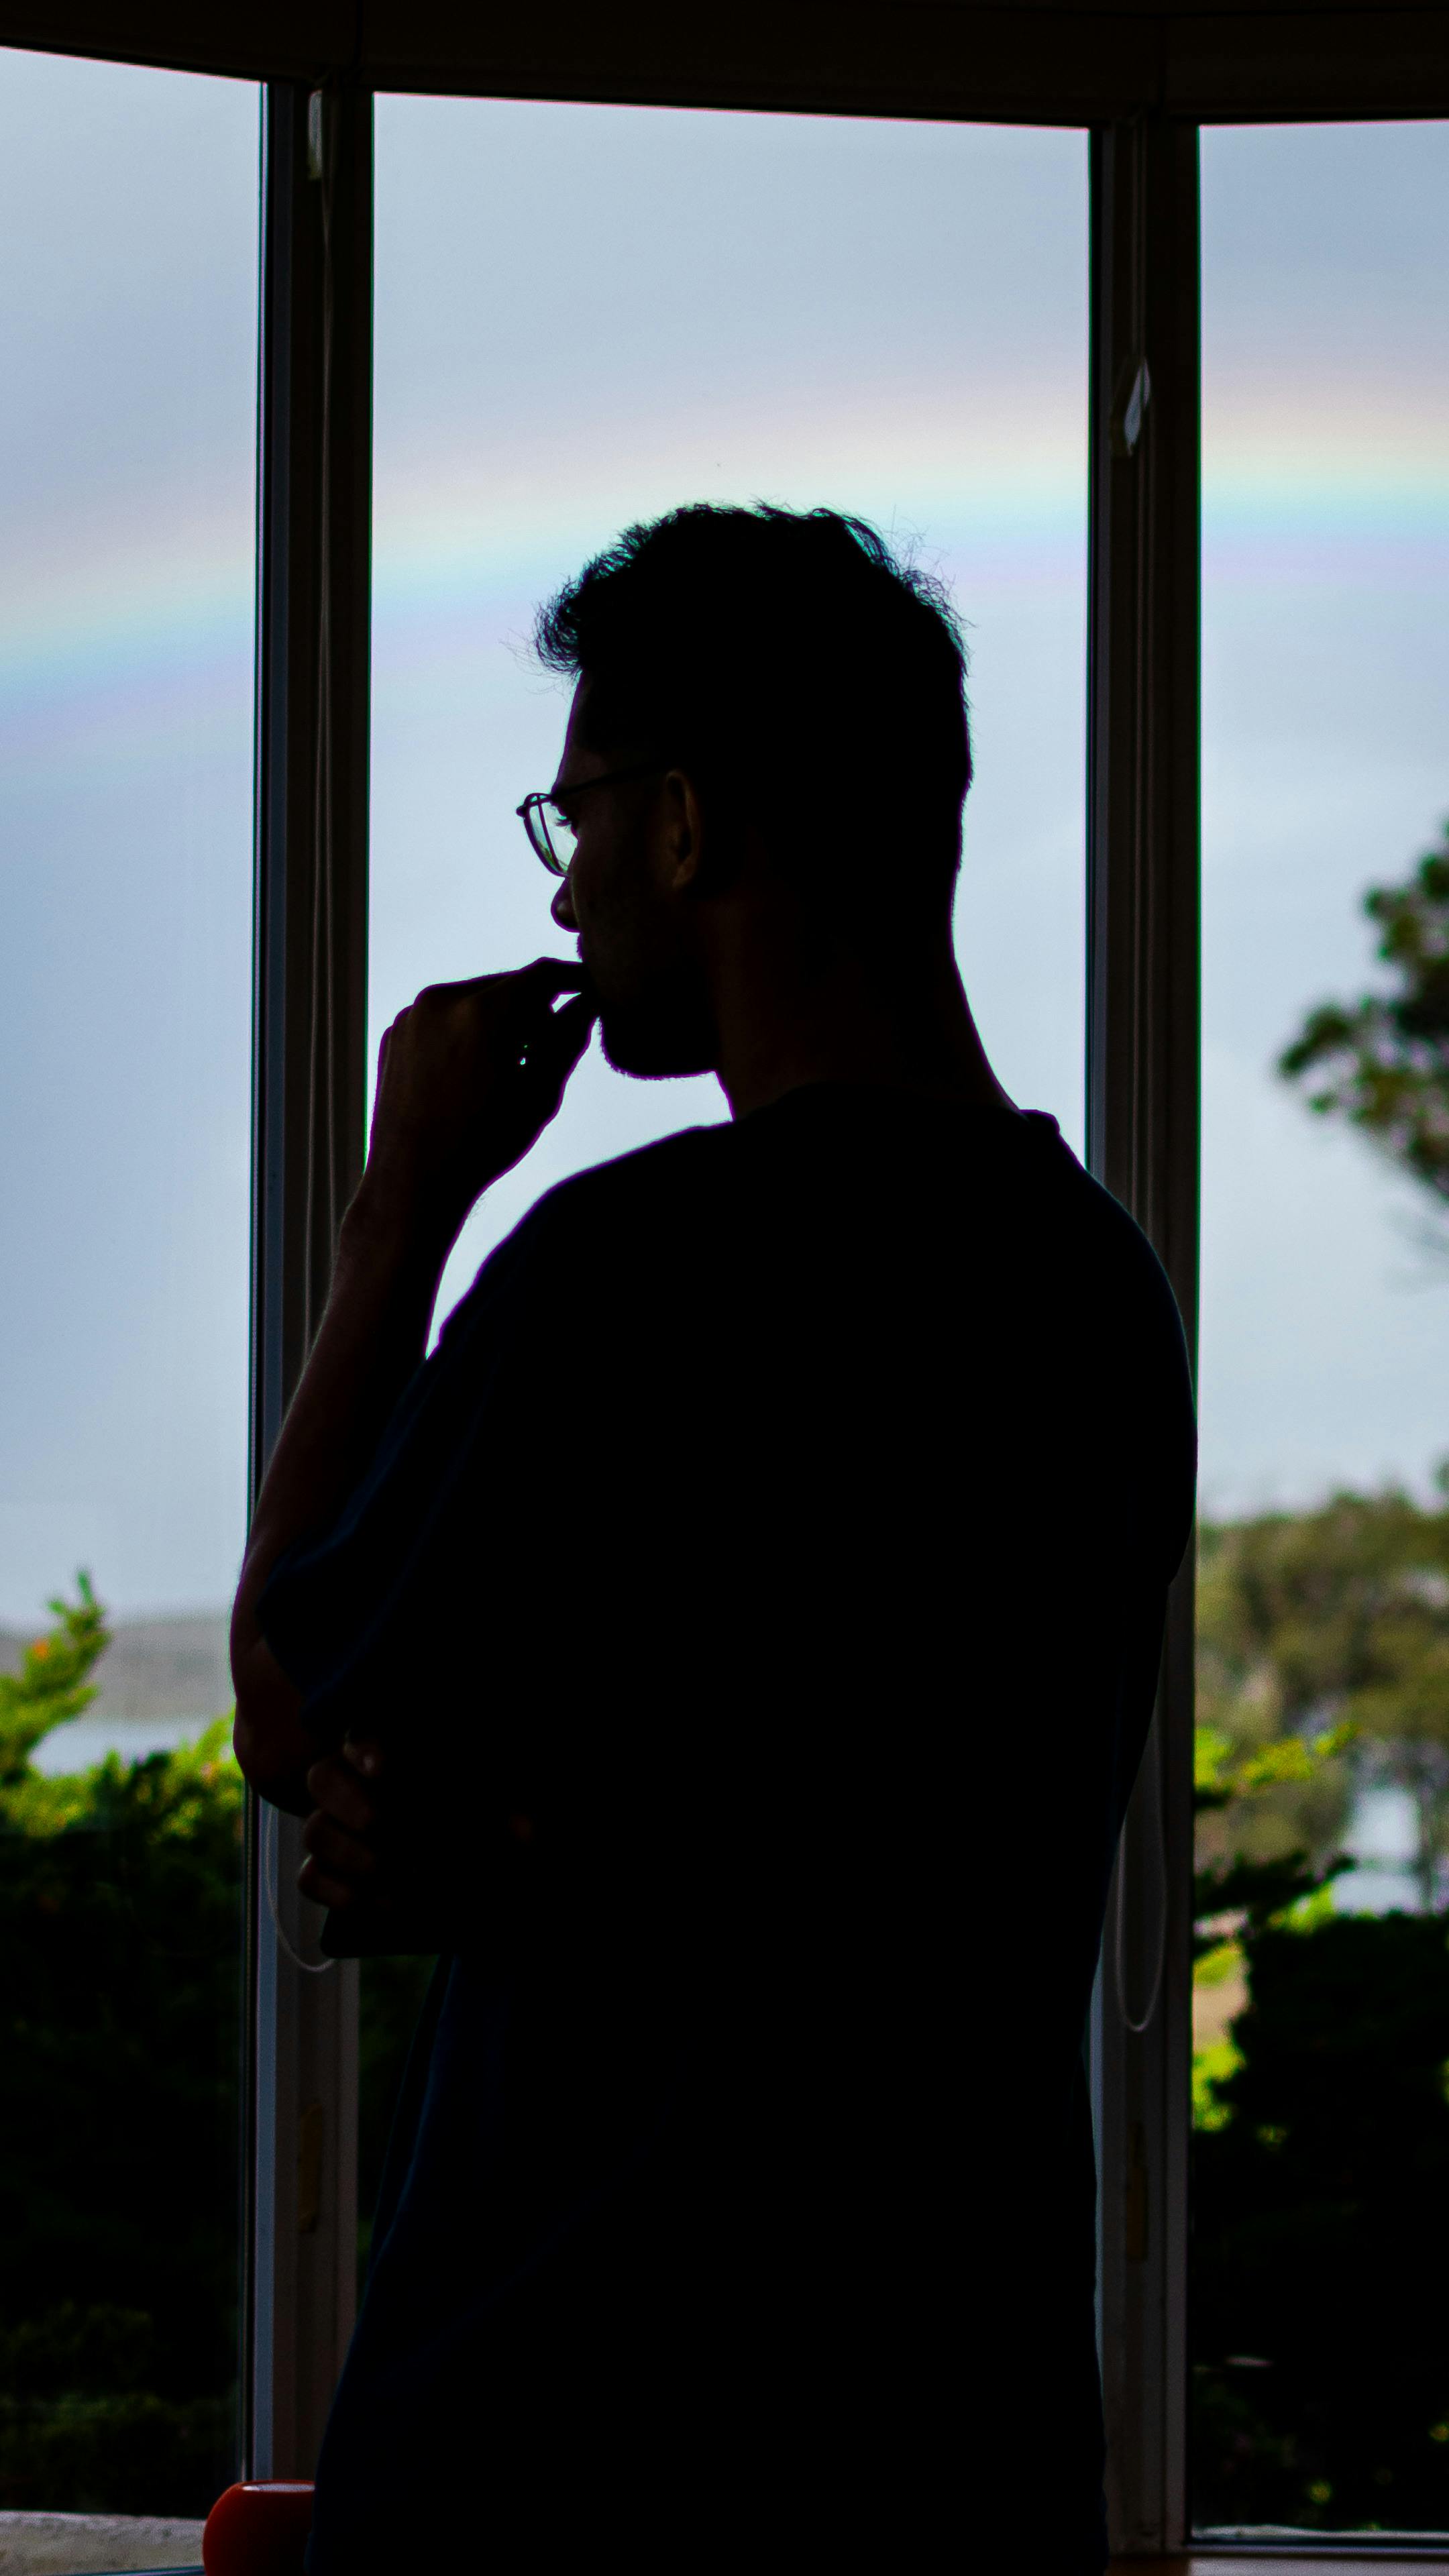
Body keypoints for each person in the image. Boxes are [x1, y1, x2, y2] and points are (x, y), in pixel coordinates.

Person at [231, 502, 1195, 2571]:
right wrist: (535, 1842)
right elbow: (861, 1811)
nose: (566, 888)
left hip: (582, 2451)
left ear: (686, 823)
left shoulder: (633, 1269)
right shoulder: (1097, 1290)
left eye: (576, 823)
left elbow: (292, 1698)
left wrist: (403, 1204)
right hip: (952, 2453)